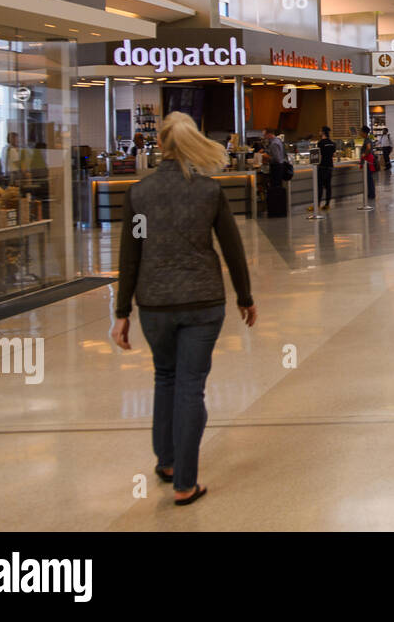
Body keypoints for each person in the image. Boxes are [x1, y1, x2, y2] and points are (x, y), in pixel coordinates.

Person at [111, 111, 255, 507]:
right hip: (203, 302)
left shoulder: (140, 194)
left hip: (154, 304)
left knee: (165, 378)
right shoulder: (208, 192)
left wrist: (121, 311)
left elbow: (131, 254)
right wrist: (245, 296)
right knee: (191, 385)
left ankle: (169, 463)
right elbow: (232, 248)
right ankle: (186, 483)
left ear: (159, 144)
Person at [317, 125, 337, 210]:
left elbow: (319, 156)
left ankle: (318, 204)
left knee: (320, 186)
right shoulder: (332, 143)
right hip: (330, 166)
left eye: (320, 130)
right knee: (328, 186)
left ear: (323, 132)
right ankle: (327, 204)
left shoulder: (321, 143)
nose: (319, 132)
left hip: (322, 166)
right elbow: (333, 154)